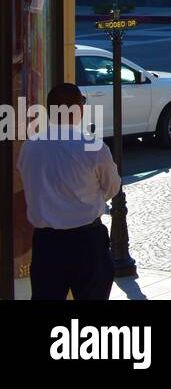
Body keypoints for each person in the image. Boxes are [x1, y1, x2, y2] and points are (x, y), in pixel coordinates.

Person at [17, 82, 120, 301]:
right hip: (86, 241)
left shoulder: (30, 146)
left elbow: (28, 181)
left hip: (47, 243)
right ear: (79, 110)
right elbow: (112, 188)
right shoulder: (93, 147)